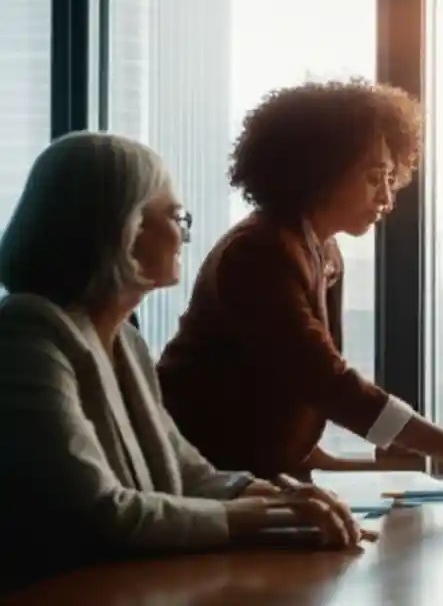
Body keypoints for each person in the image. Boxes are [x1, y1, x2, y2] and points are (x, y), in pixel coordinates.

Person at [156, 80, 443, 500]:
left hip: (248, 476)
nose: (388, 199)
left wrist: (337, 465)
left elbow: (288, 388)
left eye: (392, 178)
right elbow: (330, 386)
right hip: (198, 483)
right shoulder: (257, 254)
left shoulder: (323, 251)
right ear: (320, 170)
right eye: (375, 178)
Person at [0, 133, 369, 592]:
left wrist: (277, 497)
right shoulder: (28, 336)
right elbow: (100, 514)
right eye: (177, 217)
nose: (185, 234)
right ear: (129, 229)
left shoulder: (126, 343)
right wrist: (259, 517)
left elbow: (187, 471)